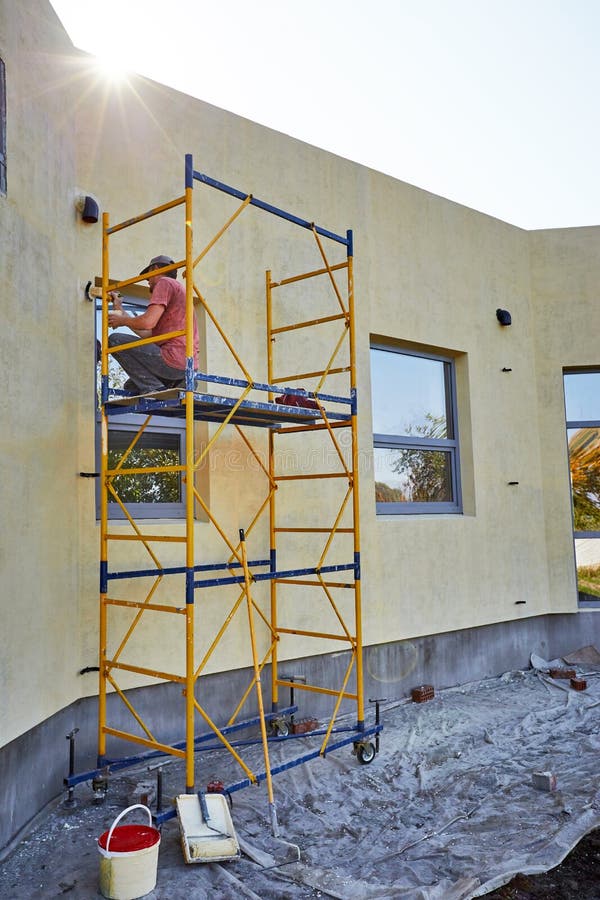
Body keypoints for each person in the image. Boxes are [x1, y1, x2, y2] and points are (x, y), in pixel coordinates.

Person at [107, 254, 199, 394]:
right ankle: (170, 385)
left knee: (114, 340)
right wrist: (121, 311)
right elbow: (148, 333)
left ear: (155, 269)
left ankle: (156, 389)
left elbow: (148, 322)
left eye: (148, 276)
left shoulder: (165, 283)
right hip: (187, 367)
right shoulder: (178, 291)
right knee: (131, 387)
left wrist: (122, 320)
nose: (147, 281)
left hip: (172, 360)